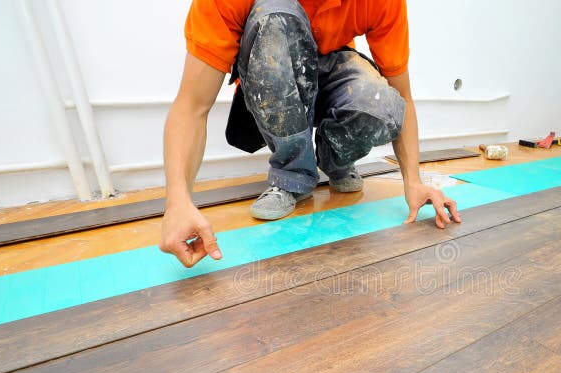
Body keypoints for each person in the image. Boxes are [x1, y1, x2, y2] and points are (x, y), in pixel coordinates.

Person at [160, 0, 461, 268]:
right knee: (275, 17)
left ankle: (335, 159)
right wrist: (177, 202)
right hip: (273, 75)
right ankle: (292, 174)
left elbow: (402, 96)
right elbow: (192, 105)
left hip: (333, 67)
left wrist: (413, 181)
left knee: (383, 105)